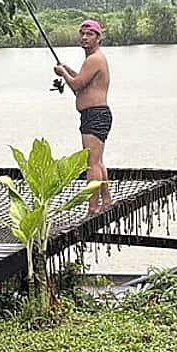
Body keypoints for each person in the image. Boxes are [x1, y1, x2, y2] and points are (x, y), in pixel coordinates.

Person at [54, 19, 112, 213]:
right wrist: (67, 71)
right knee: (97, 161)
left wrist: (63, 73)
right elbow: (81, 80)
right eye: (83, 34)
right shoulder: (92, 60)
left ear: (98, 38)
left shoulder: (95, 59)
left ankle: (93, 207)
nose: (85, 38)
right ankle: (106, 201)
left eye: (90, 34)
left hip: (95, 115)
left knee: (92, 164)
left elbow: (77, 85)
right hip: (94, 115)